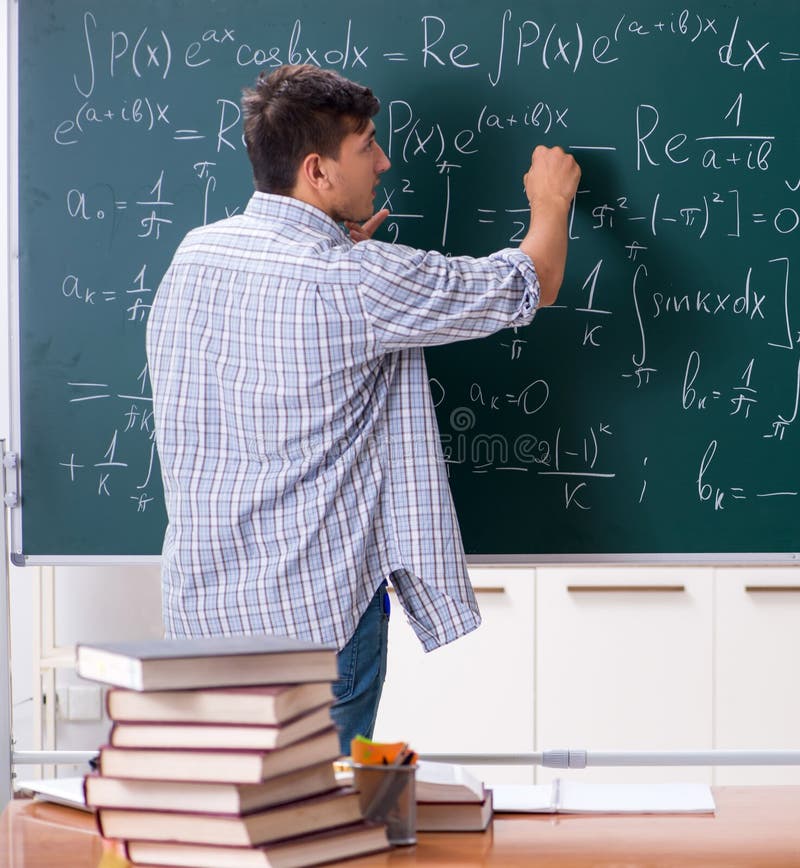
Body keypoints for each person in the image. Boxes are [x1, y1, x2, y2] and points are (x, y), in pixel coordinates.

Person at [146, 64, 580, 754]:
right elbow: (532, 281)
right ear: (317, 171)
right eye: (367, 146)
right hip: (315, 635)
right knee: (315, 817)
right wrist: (550, 202)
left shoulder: (196, 254)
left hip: (201, 625)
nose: (383, 162)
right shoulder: (356, 281)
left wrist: (343, 258)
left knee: (226, 810)